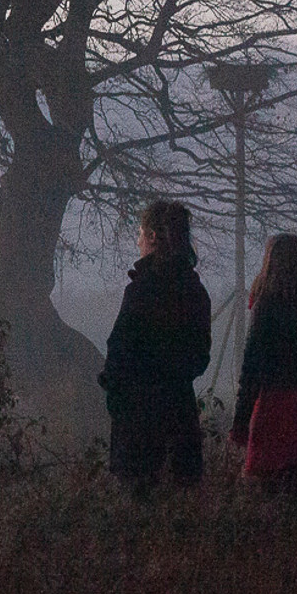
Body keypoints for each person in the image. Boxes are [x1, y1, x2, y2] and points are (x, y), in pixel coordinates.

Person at [99, 199, 213, 495]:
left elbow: (119, 354)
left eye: (139, 233)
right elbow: (200, 358)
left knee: (137, 514)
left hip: (138, 425)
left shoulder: (140, 291)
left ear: (151, 237)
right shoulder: (195, 291)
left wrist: (116, 400)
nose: (137, 242)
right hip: (180, 418)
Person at [230, 233, 297, 493]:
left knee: (272, 501)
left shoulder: (266, 308)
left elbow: (251, 371)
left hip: (273, 413)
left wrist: (240, 423)